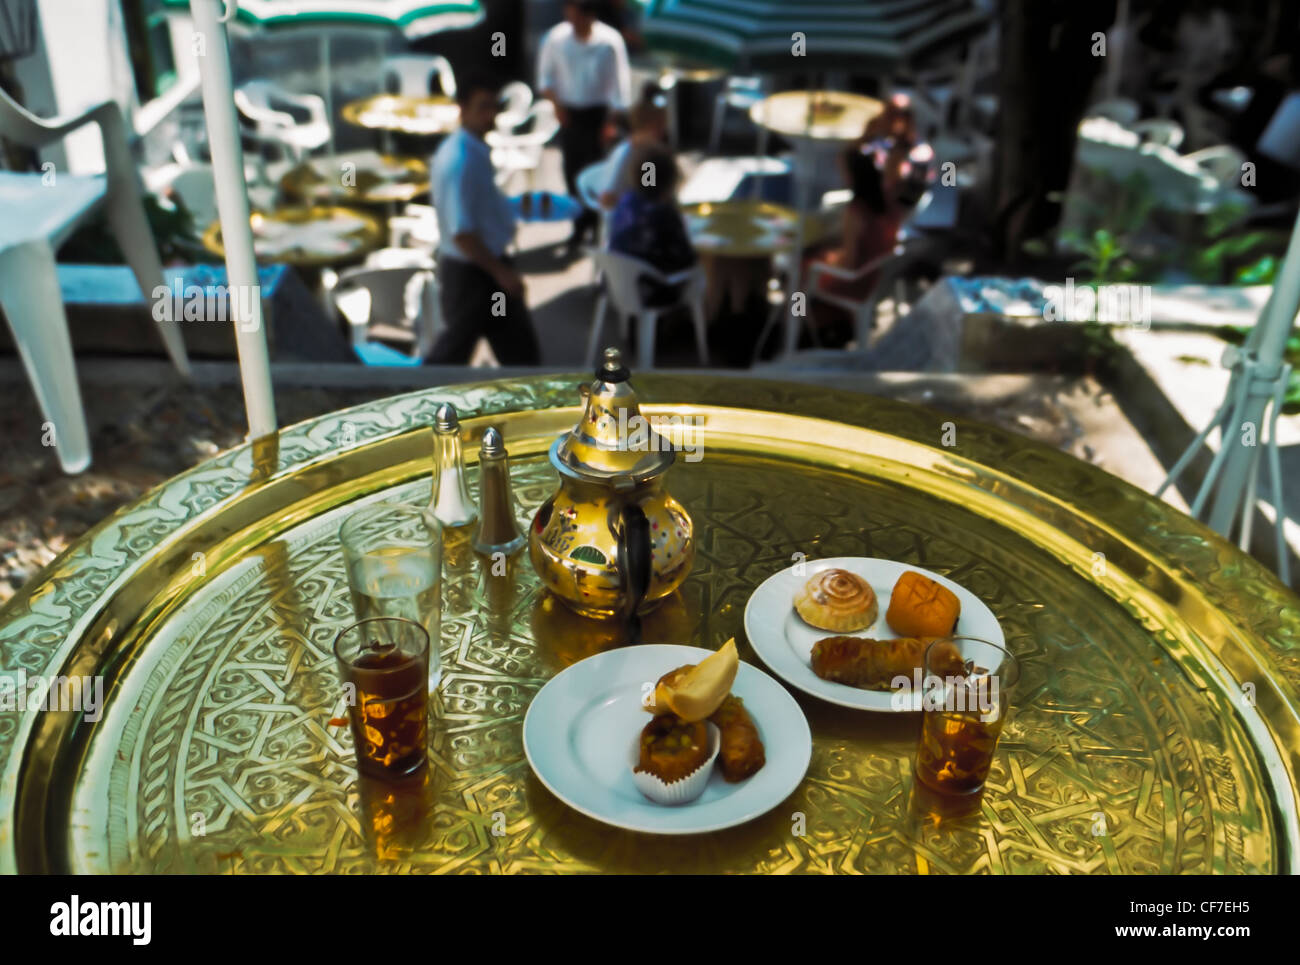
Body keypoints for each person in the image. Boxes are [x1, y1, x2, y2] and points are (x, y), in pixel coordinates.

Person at [428, 74, 541, 365]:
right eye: (482, 107)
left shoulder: (472, 150)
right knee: (449, 360)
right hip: (475, 276)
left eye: (493, 106)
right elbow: (462, 233)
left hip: (481, 272)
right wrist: (500, 273)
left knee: (518, 354)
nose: (490, 115)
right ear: (462, 109)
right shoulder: (461, 161)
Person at [538, 0, 632, 255]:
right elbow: (546, 78)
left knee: (599, 172)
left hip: (598, 115)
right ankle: (578, 226)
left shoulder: (609, 41)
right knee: (572, 170)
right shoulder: (556, 39)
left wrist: (612, 121)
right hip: (570, 113)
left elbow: (619, 86)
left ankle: (596, 226)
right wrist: (557, 105)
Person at [608, 143, 696, 306]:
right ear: (670, 180)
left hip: (616, 285)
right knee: (700, 271)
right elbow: (686, 257)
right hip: (650, 293)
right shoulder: (664, 213)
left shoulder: (626, 201)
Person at [809, 146, 901, 304]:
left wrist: (830, 259)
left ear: (852, 175)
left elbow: (848, 263)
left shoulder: (856, 212)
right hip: (877, 279)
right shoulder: (888, 201)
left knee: (801, 267)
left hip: (857, 283)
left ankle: (799, 318)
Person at [599, 98, 669, 209]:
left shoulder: (627, 149)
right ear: (651, 125)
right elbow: (650, 196)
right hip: (631, 220)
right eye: (661, 125)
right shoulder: (643, 155)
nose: (664, 130)